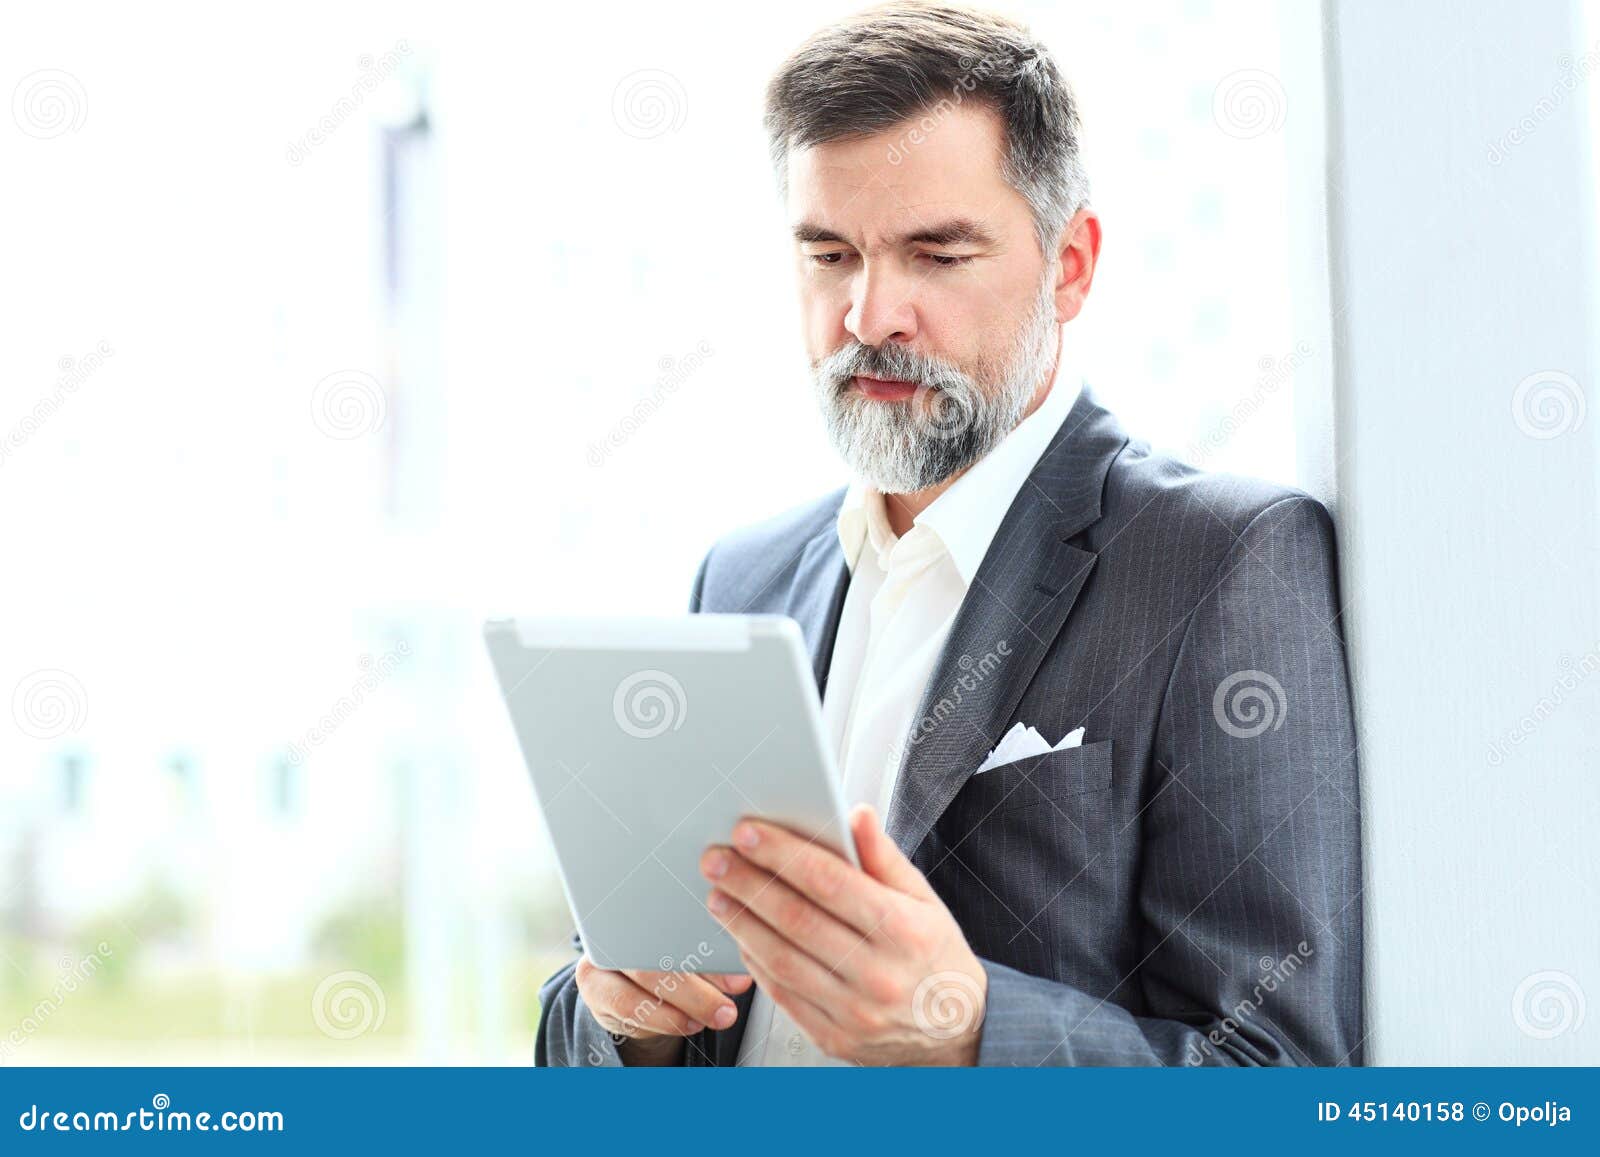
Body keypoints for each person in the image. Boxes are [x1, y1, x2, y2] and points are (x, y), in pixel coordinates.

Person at [537, 0, 1362, 1067]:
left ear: (1070, 265)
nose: (869, 314)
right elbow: (620, 1014)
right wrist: (618, 1010)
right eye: (829, 253)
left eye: (935, 254)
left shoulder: (1222, 563)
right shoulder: (740, 576)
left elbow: (1285, 1074)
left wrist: (969, 1025)